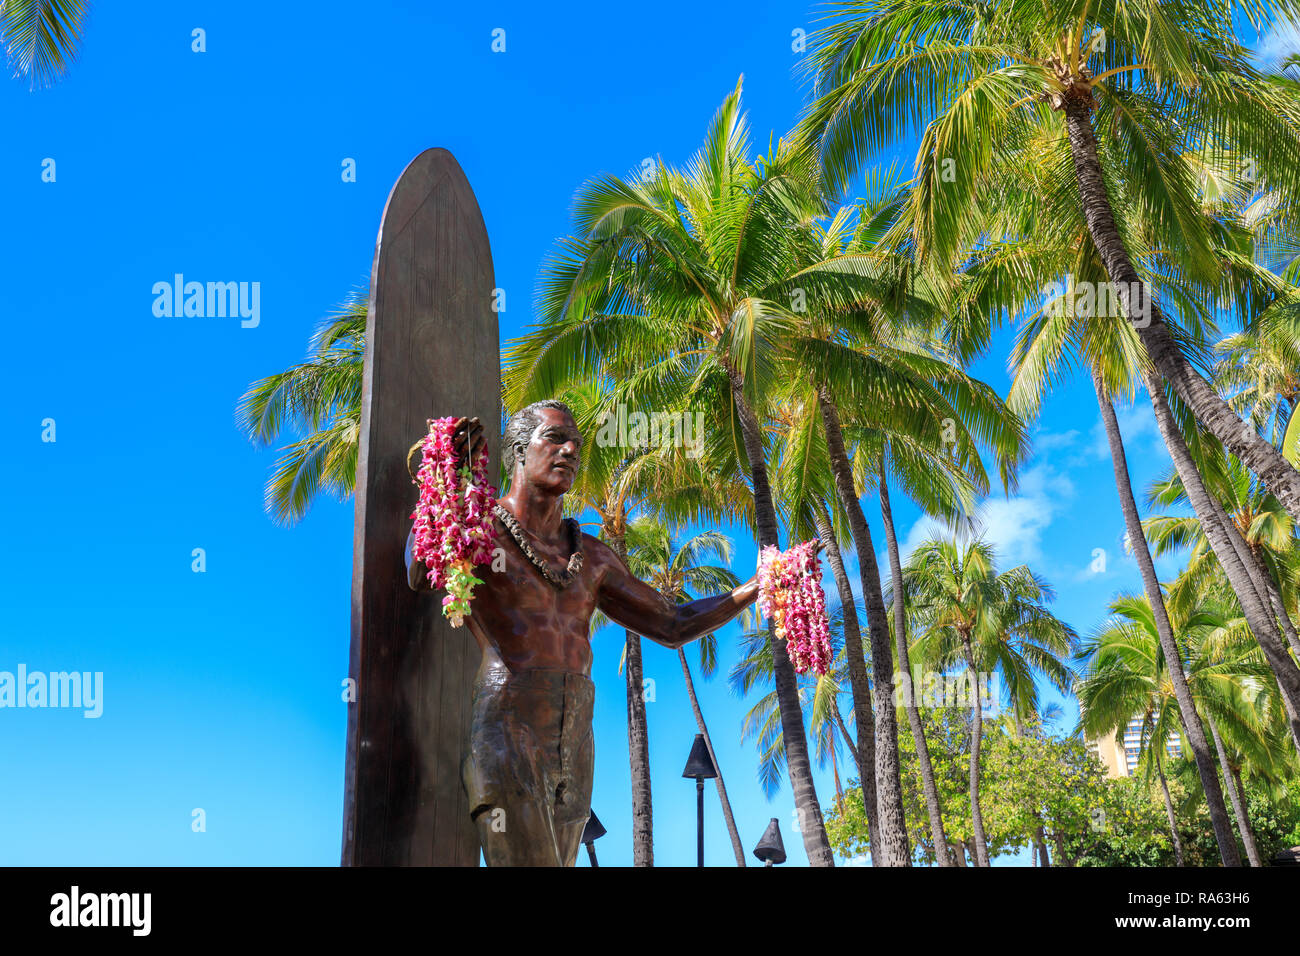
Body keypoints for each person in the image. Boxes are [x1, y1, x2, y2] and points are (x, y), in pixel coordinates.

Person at [405, 400, 776, 866]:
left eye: (576, 444)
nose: (570, 452)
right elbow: (420, 572)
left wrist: (757, 586)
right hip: (509, 724)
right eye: (555, 439)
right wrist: (448, 479)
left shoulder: (593, 558)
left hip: (577, 733)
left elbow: (672, 623)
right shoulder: (482, 529)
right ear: (519, 449)